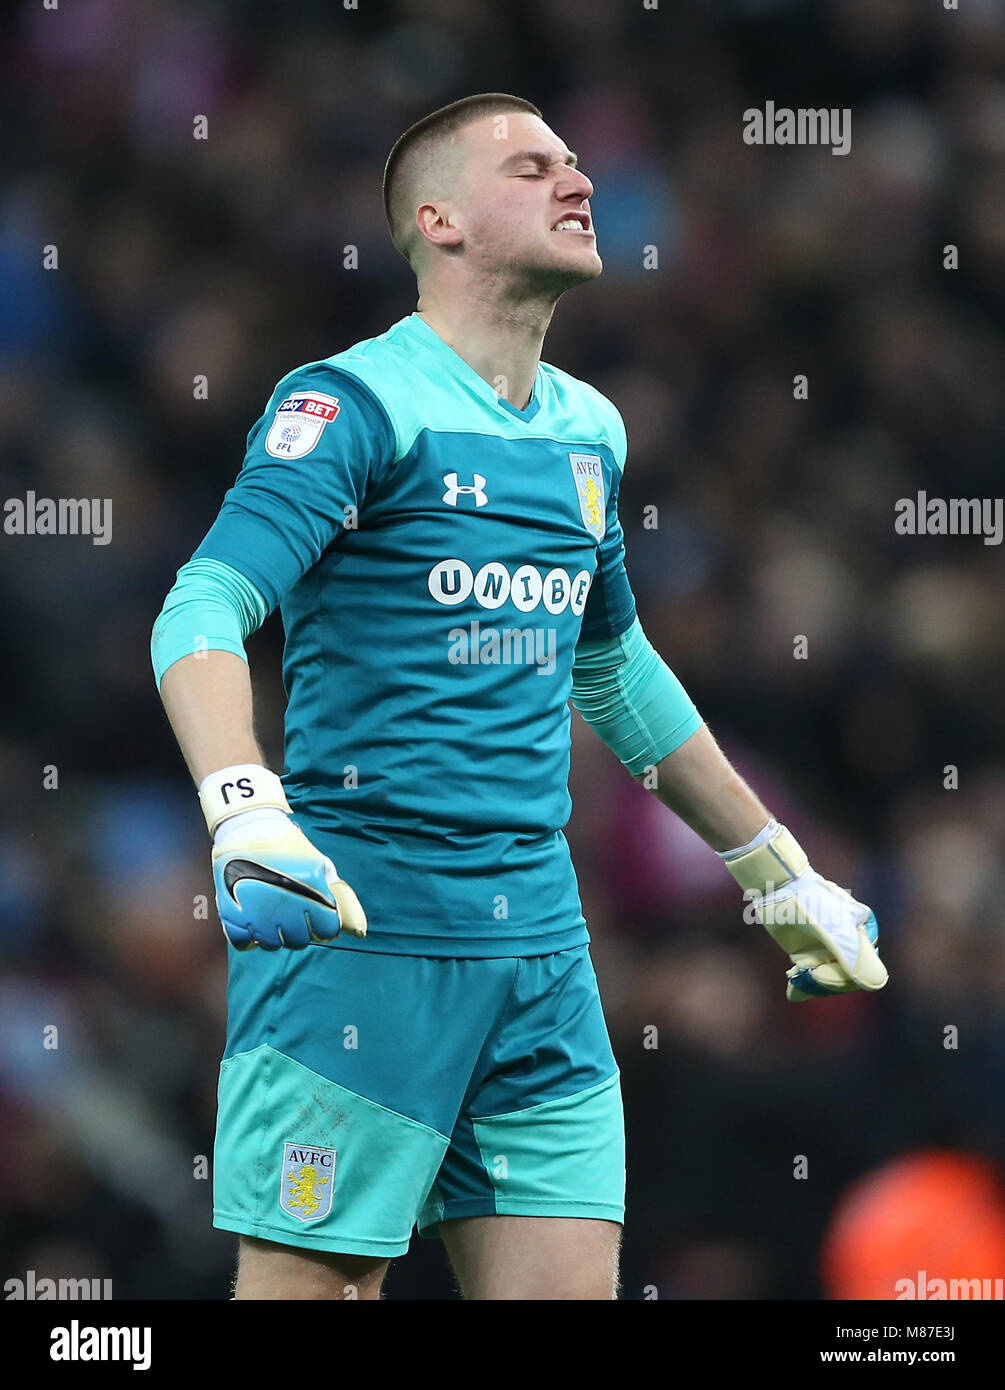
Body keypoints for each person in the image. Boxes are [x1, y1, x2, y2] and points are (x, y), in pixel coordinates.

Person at [151, 92, 887, 1301]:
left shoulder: (591, 431)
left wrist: (775, 867)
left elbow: (612, 665)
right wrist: (243, 807)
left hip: (542, 948)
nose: (577, 181)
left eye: (578, 162)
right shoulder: (350, 404)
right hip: (360, 931)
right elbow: (202, 609)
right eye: (531, 166)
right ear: (437, 220)